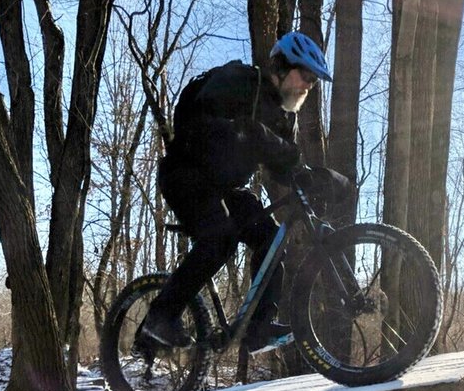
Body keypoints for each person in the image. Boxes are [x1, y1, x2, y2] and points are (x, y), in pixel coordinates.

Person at [137, 31, 337, 351]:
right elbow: (198, 123)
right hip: (185, 175)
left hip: (222, 187)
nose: (309, 86)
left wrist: (315, 177)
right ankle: (161, 316)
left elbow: (283, 166)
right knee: (220, 235)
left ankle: (257, 327)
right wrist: (247, 132)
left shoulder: (285, 118)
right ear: (283, 67)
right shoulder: (238, 81)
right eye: (306, 75)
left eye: (314, 82)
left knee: (270, 236)